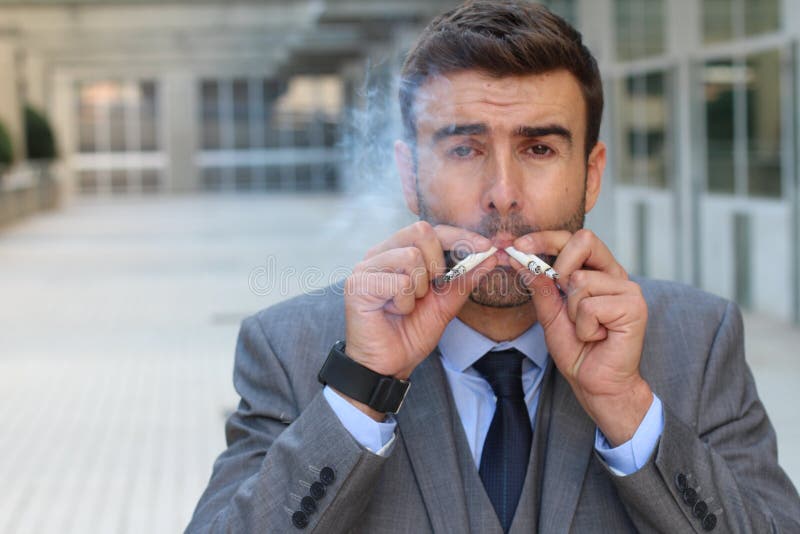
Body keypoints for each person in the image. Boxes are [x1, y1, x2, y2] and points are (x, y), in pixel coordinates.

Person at [186, 1, 800, 532]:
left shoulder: (699, 341)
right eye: (463, 147)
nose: (502, 193)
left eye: (538, 148)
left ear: (591, 174)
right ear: (409, 174)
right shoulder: (291, 350)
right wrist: (361, 392)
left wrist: (629, 408)